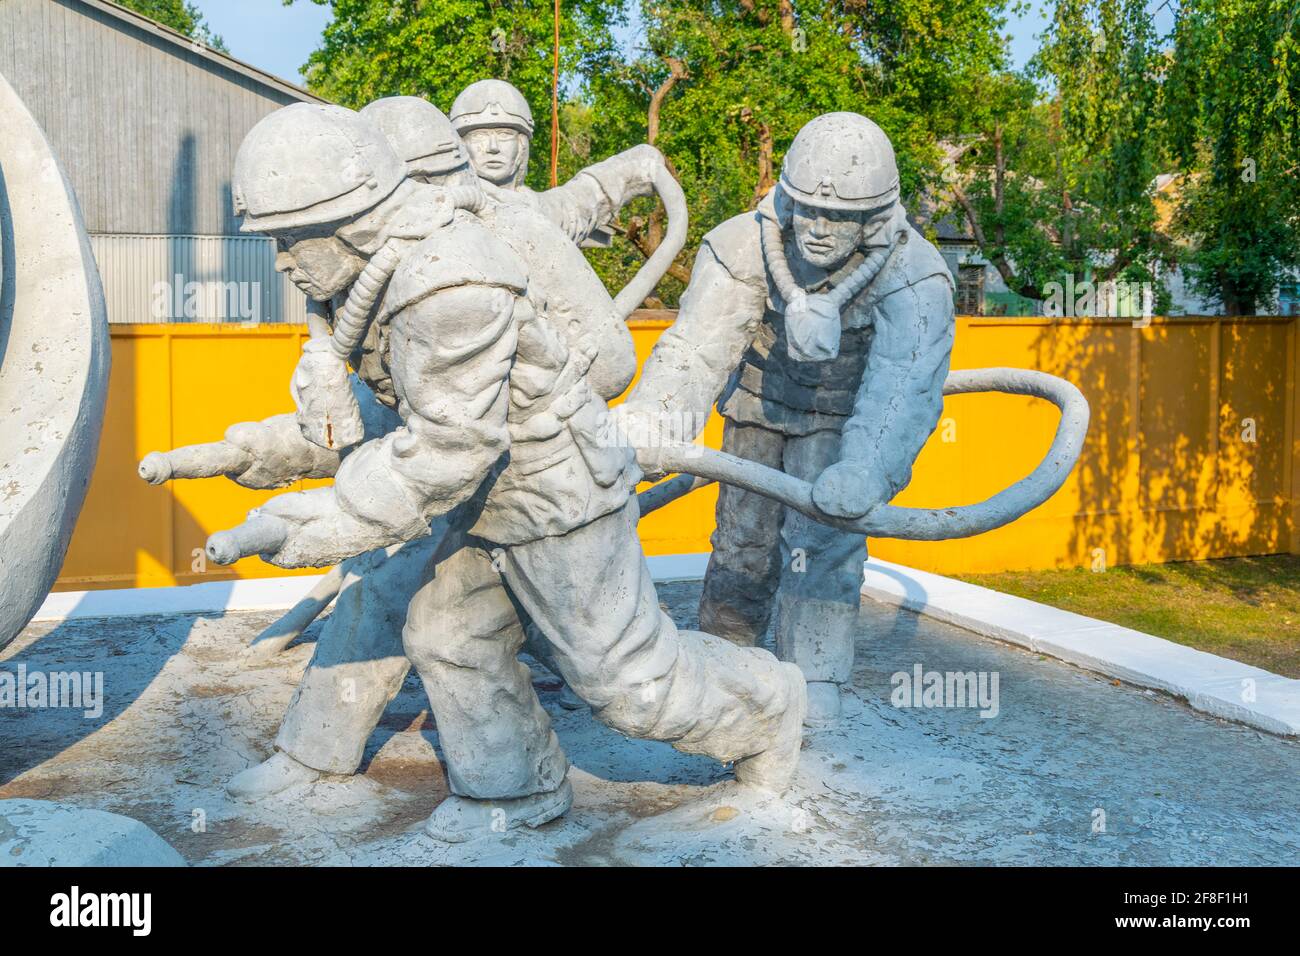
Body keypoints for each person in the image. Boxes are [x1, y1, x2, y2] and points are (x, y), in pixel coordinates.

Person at [203, 103, 808, 840]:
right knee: (448, 634)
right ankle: (512, 794)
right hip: (484, 497)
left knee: (630, 687)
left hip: (558, 496)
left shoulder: (447, 280)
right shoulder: (368, 279)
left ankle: (771, 703)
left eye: (288, 240)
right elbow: (397, 418)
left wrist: (327, 523)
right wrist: (266, 454)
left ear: (347, 218)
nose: (282, 261)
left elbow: (448, 448)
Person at [616, 112, 955, 725]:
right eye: (809, 210)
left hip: (841, 424)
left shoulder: (915, 274)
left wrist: (868, 468)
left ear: (873, 219)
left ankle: (815, 673)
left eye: (842, 217)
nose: (821, 230)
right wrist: (656, 417)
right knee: (742, 541)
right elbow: (697, 347)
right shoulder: (741, 244)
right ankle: (726, 659)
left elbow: (905, 384)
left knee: (824, 542)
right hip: (755, 409)